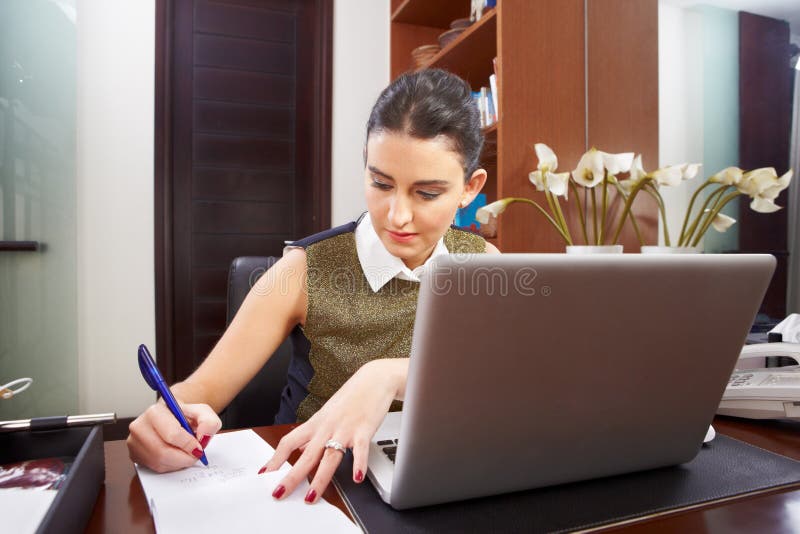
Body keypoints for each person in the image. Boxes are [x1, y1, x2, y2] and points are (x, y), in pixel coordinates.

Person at [127, 68, 501, 503]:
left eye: (427, 194)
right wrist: (161, 423)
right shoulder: (301, 270)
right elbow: (198, 394)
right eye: (380, 183)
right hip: (319, 477)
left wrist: (390, 376)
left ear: (469, 189)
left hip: (437, 472)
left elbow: (503, 380)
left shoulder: (483, 265)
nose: (397, 216)